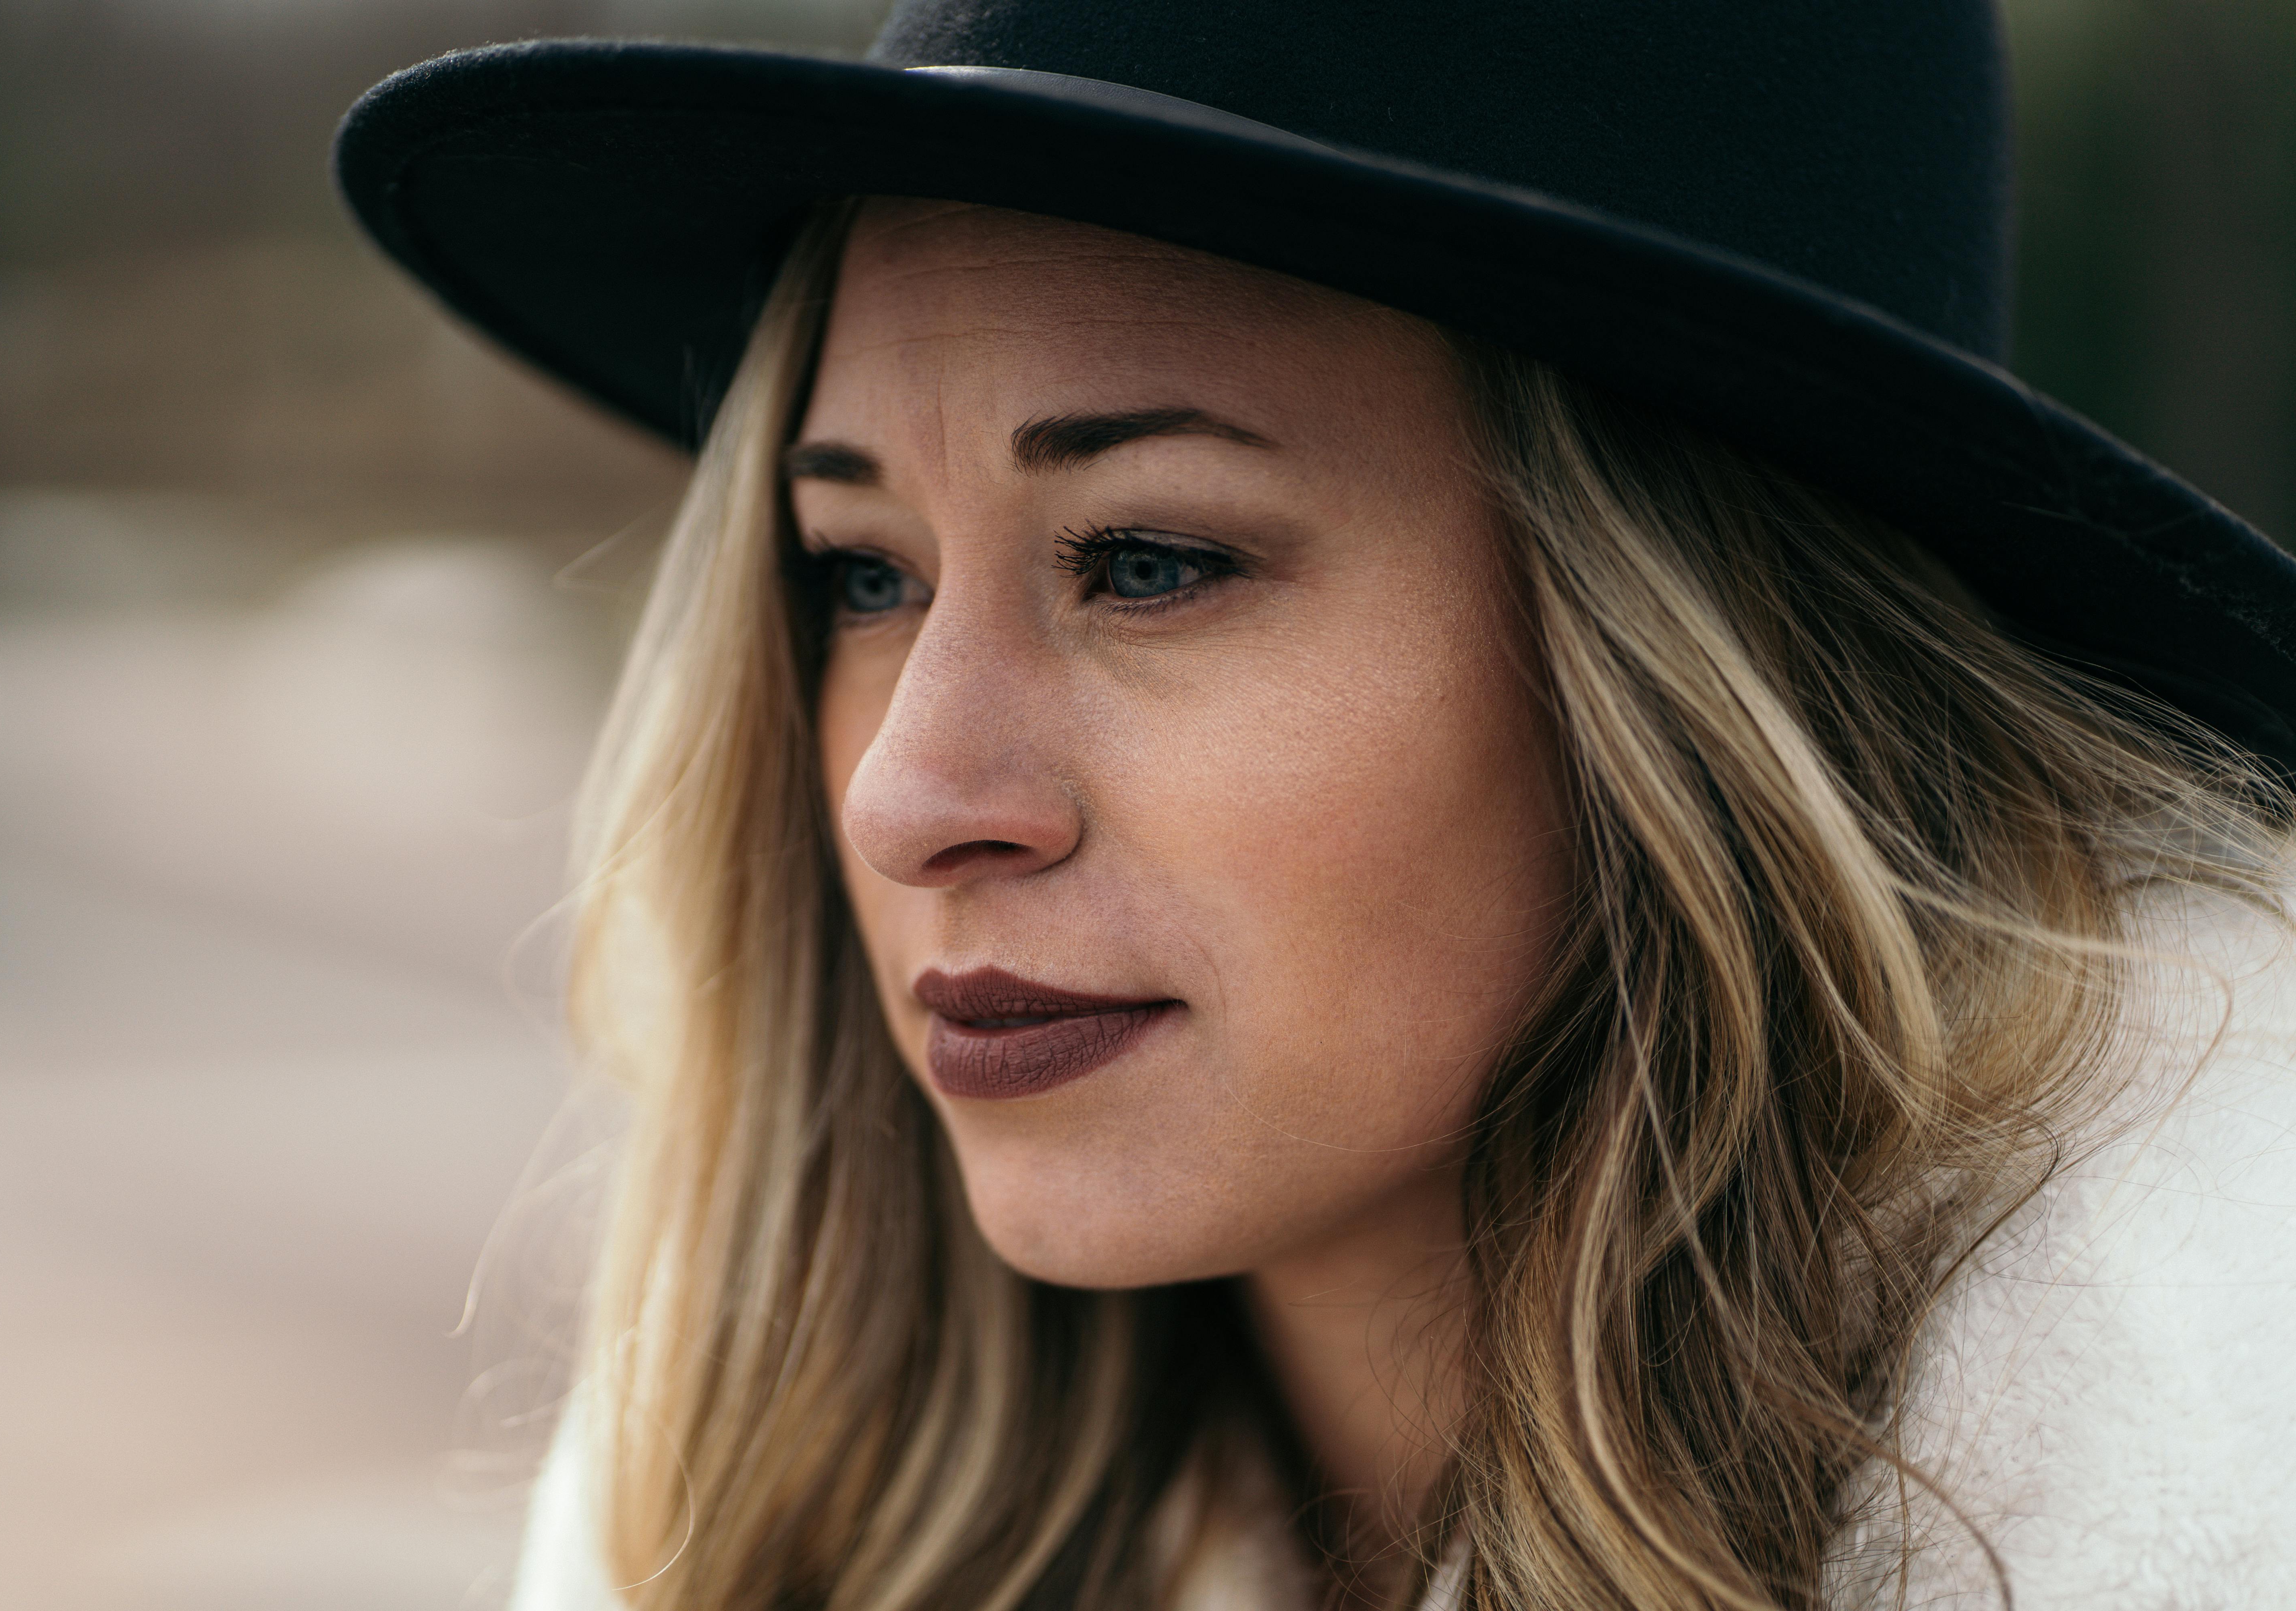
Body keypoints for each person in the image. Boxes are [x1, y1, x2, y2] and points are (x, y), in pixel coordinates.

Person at [336, 3, 2296, 1606]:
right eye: (863, 571)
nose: (911, 796)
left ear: (1695, 675)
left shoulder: (2197, 1420)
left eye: (1149, 559)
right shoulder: (759, 1486)